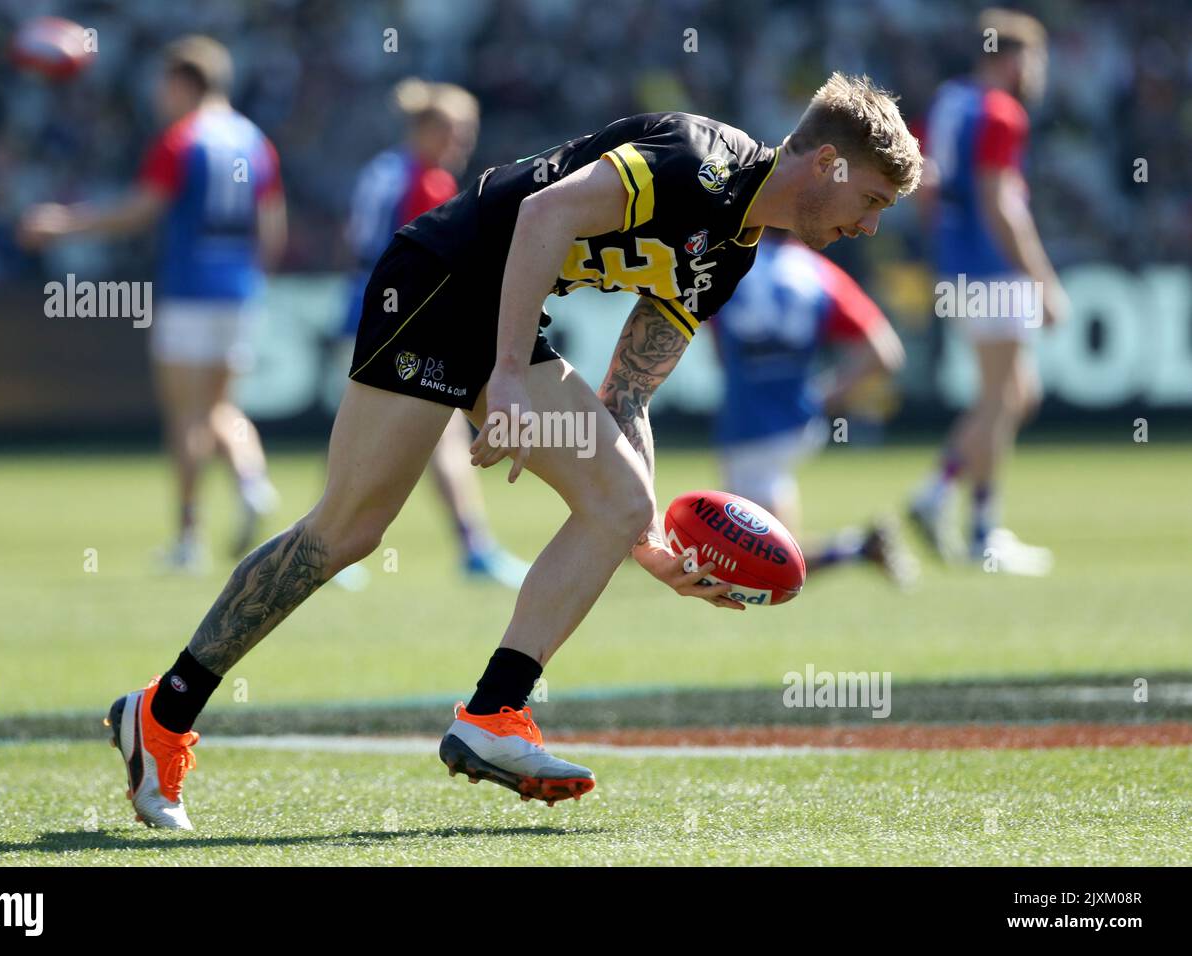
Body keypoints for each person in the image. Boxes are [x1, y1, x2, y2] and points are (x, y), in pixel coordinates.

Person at [106, 73, 923, 829]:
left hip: (506, 317)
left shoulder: (732, 250)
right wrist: (504, 376)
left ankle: (494, 714)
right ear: (827, 162)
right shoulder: (697, 161)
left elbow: (628, 393)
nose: (871, 224)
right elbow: (543, 215)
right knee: (348, 530)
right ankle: (164, 711)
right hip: (440, 277)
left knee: (621, 500)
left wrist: (648, 543)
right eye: (874, 199)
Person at [18, 36, 285, 572]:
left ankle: (188, 539)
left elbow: (142, 210)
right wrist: (254, 280)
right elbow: (272, 227)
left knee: (186, 416)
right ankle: (252, 480)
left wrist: (66, 225)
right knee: (220, 407)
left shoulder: (181, 140)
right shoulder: (255, 142)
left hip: (189, 291)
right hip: (238, 290)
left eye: (165, 86)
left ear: (185, 82)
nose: (160, 98)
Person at [341, 78, 529, 588]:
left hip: (367, 312)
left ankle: (333, 544)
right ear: (426, 128)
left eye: (469, 131)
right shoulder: (429, 183)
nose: (462, 143)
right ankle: (473, 548)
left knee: (380, 437)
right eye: (455, 130)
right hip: (407, 322)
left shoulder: (381, 170)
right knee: (434, 437)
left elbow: (356, 243)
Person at [908, 8, 1066, 575]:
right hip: (993, 270)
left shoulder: (949, 102)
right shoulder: (1001, 112)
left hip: (959, 267)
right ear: (1014, 57)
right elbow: (1001, 204)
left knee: (1016, 394)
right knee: (1001, 398)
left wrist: (943, 260)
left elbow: (924, 185)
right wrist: (1043, 281)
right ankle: (981, 533)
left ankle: (935, 494)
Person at [711, 233, 917, 587]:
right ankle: (863, 548)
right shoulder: (816, 271)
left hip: (750, 423)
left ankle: (632, 537)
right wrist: (820, 397)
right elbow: (885, 353)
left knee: (764, 561)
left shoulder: (726, 262)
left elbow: (717, 346)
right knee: (767, 550)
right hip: (795, 420)